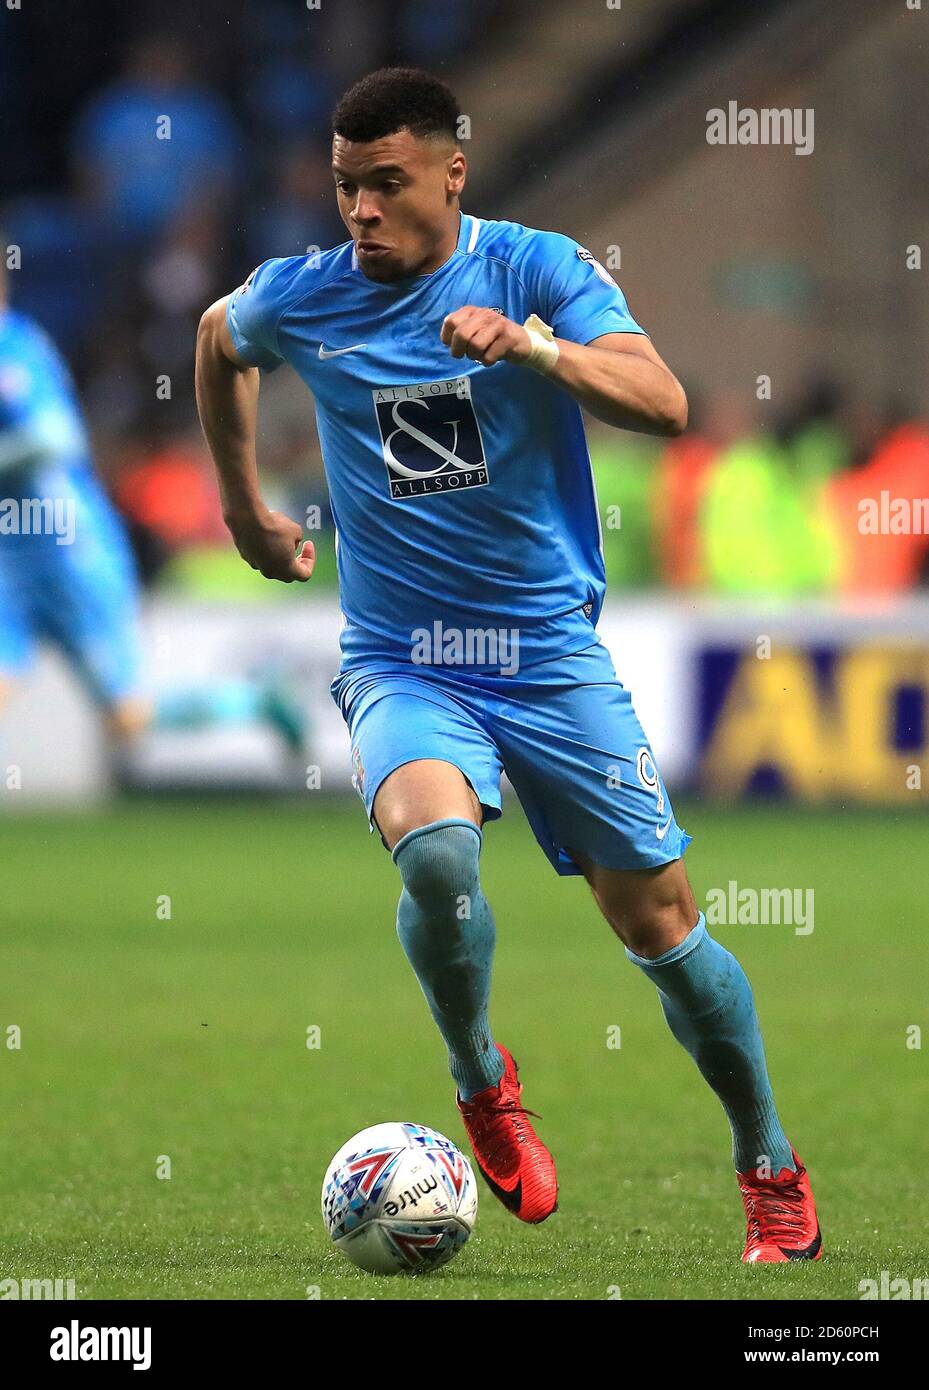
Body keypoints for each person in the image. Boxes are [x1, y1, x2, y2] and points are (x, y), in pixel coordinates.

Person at [196, 67, 821, 1261]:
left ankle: (765, 1163)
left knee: (665, 933)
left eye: (386, 185)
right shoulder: (305, 295)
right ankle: (480, 1075)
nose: (361, 213)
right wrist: (243, 510)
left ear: (450, 170)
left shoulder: (534, 267)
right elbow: (219, 341)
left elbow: (664, 400)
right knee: (434, 848)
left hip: (547, 659)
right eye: (343, 189)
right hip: (404, 658)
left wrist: (535, 350)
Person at [0, 257, 304, 765]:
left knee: (127, 718)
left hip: (68, 548)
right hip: (10, 560)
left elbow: (56, 438)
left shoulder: (16, 349)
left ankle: (255, 700)